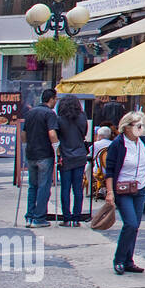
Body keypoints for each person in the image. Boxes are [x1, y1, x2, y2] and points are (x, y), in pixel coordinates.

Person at [104, 111, 145, 276]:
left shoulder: (143, 142)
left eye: (142, 125)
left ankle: (128, 260)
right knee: (130, 224)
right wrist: (110, 192)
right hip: (122, 189)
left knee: (135, 226)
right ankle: (119, 259)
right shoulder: (117, 145)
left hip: (140, 188)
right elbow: (109, 170)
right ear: (126, 127)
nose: (141, 129)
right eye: (137, 126)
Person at [22, 89, 60, 227]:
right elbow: (52, 134)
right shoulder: (50, 114)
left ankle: (30, 216)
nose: (56, 102)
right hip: (45, 154)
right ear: (51, 99)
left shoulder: (30, 113)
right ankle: (39, 218)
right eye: (55, 99)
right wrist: (57, 150)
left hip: (31, 153)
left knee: (33, 186)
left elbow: (23, 135)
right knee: (44, 186)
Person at [54, 94, 90, 228]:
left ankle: (67, 217)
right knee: (78, 188)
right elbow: (84, 133)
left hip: (66, 155)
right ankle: (76, 218)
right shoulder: (82, 117)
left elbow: (57, 137)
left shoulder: (60, 119)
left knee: (65, 188)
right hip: (80, 154)